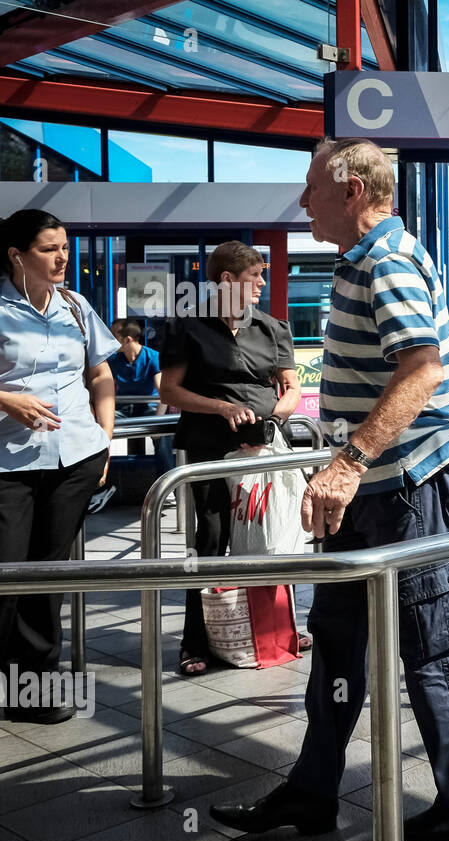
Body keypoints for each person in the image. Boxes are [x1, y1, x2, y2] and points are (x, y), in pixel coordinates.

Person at [210, 137, 449, 841]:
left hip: (403, 485)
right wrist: (346, 472)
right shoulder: (367, 261)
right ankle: (312, 792)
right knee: (337, 641)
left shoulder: (388, 261)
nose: (302, 199)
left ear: (350, 190)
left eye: (312, 185)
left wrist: (347, 462)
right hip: (370, 490)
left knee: (432, 648)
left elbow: (423, 371)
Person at [0, 209, 117, 723]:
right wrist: (4, 400)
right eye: (49, 248)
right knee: (3, 573)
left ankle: (36, 693)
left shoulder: (76, 305)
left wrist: (105, 440)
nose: (62, 257)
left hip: (74, 459)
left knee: (48, 577)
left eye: (65, 246)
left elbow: (101, 373)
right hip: (5, 464)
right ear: (16, 255)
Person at [157, 240, 301, 676]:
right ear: (226, 280)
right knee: (211, 538)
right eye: (253, 276)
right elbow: (169, 391)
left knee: (274, 533)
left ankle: (279, 630)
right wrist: (221, 408)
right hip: (209, 448)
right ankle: (195, 641)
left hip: (264, 447)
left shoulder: (272, 328)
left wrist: (266, 421)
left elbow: (292, 389)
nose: (261, 284)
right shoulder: (189, 327)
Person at [107, 318, 175, 479]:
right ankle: (101, 481)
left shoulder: (152, 357)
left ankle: (167, 483)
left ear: (128, 339)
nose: (110, 340)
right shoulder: (113, 360)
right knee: (98, 429)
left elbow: (162, 393)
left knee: (162, 436)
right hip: (122, 409)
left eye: (114, 336)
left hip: (147, 409)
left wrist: (159, 420)